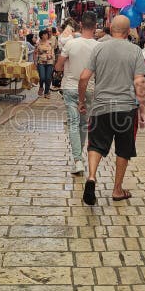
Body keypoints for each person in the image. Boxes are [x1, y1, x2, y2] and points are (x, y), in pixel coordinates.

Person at [78, 15, 145, 205]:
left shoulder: (99, 47)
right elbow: (139, 82)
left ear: (110, 27)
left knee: (96, 145)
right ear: (128, 31)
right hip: (126, 109)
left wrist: (82, 101)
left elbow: (84, 77)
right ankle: (117, 190)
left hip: (101, 107)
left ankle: (91, 177)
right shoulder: (135, 51)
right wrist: (142, 110)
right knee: (123, 150)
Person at [55, 11, 98, 175]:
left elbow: (58, 67)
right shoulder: (98, 46)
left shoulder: (70, 44)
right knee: (82, 124)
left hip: (71, 87)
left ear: (80, 25)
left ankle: (78, 161)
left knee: (73, 123)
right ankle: (79, 157)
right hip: (89, 89)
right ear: (95, 27)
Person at [36, 29, 55, 97]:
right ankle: (41, 87)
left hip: (49, 62)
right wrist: (35, 62)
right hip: (41, 62)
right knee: (42, 77)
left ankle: (46, 92)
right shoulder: (38, 43)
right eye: (45, 34)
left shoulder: (50, 43)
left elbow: (52, 51)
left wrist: (53, 60)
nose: (47, 35)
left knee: (48, 78)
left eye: (47, 34)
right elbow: (36, 53)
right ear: (41, 35)